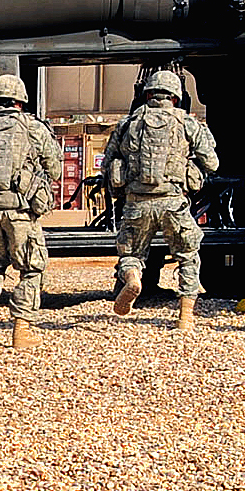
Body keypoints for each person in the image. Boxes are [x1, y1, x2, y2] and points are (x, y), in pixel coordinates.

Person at [101, 70, 219, 331]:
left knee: (131, 254)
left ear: (147, 94)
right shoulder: (188, 124)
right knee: (188, 255)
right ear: (176, 97)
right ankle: (185, 316)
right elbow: (212, 162)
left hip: (136, 202)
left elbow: (107, 165)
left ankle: (133, 279)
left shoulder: (128, 123)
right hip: (173, 202)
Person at [0, 74, 65, 350]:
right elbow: (55, 170)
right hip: (20, 210)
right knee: (31, 268)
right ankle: (21, 330)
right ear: (21, 100)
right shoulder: (34, 129)